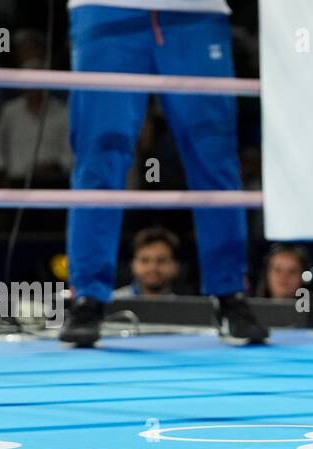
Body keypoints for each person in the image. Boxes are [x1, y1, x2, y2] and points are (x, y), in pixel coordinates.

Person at [60, 0, 265, 347]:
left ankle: (230, 293)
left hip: (195, 13)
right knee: (100, 158)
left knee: (215, 158)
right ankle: (87, 299)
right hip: (108, 8)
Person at [113, 226, 181, 298]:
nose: (152, 267)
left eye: (161, 260)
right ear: (132, 264)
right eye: (144, 260)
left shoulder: (183, 307)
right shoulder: (113, 301)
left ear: (175, 265)